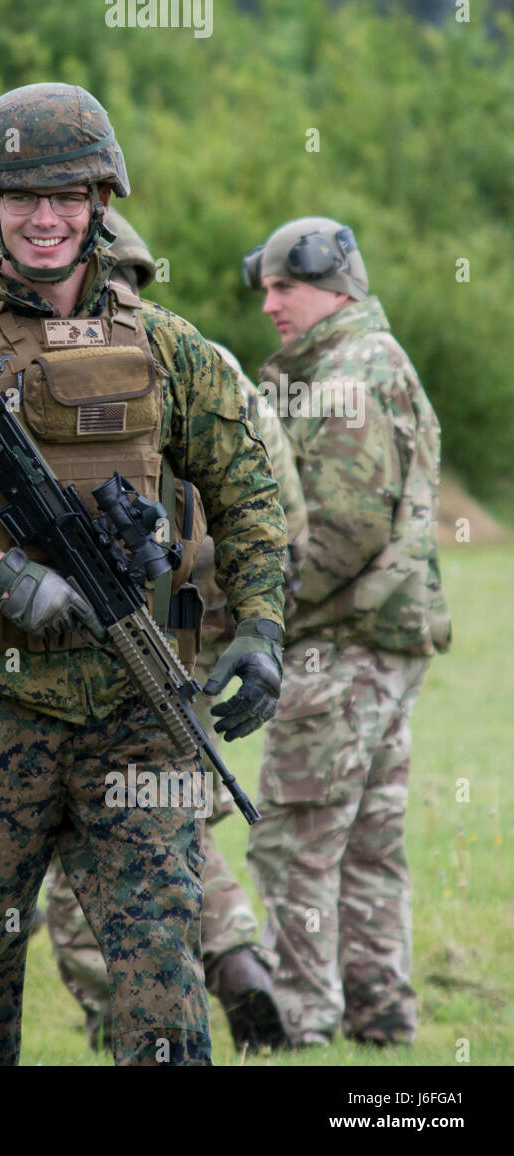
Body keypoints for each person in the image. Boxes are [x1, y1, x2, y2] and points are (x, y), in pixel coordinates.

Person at [0, 82, 288, 1066]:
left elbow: (250, 491)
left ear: (100, 204)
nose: (44, 219)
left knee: (160, 963)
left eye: (66, 197)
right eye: (19, 198)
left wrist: (259, 628)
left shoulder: (167, 346)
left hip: (135, 703)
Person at [40, 205, 302, 1053]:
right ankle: (234, 962)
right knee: (171, 833)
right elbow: (274, 507)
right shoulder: (210, 361)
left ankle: (134, 1029)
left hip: (115, 650)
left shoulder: (66, 366)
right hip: (193, 648)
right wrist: (243, 618)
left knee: (97, 878)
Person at [242, 216, 450, 1048]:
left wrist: (252, 609)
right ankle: (380, 1012)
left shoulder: (345, 377)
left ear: (336, 288)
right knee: (368, 845)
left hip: (339, 652)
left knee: (296, 842)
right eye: (265, 289)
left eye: (284, 288)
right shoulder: (375, 360)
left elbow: (340, 532)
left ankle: (302, 1019)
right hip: (385, 649)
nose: (269, 306)